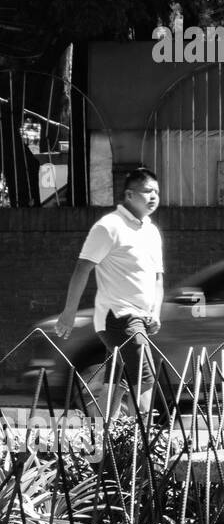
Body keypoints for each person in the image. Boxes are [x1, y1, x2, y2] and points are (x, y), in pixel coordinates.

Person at [54, 167, 168, 420]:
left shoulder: (151, 231)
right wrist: (69, 312)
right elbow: (82, 268)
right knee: (145, 376)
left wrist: (155, 313)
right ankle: (148, 441)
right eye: (147, 191)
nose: (153, 197)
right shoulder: (109, 227)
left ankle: (106, 436)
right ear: (129, 194)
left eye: (157, 192)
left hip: (142, 317)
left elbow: (158, 277)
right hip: (119, 316)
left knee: (115, 380)